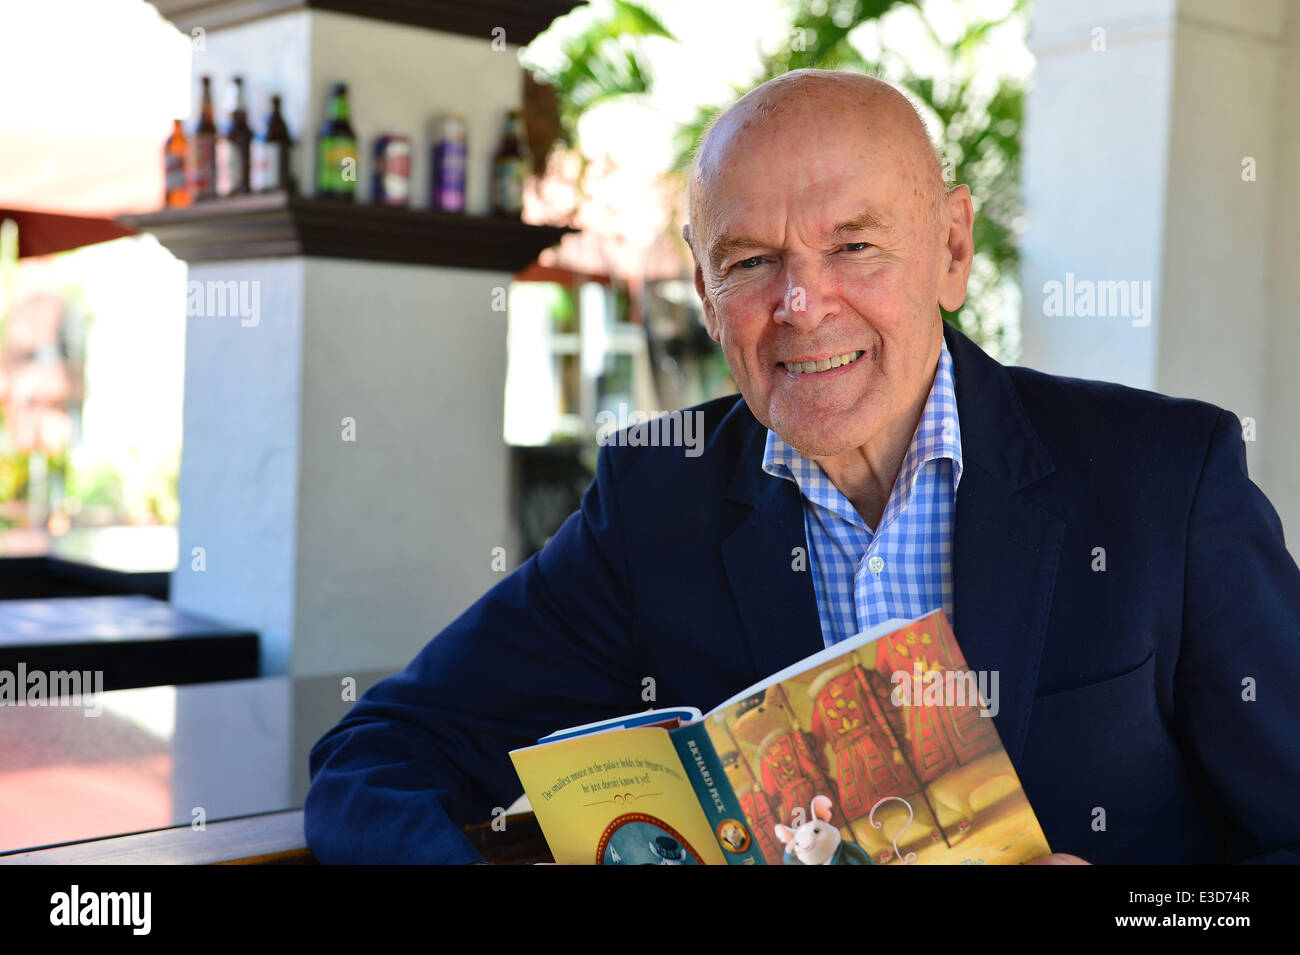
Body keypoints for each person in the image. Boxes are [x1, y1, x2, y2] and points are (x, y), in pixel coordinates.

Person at [304, 69, 1300, 864]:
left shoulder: (1166, 480)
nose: (800, 304)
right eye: (749, 262)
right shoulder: (656, 500)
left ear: (951, 248)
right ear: (703, 289)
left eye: (854, 245)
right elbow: (376, 756)